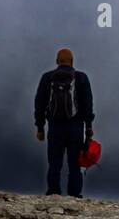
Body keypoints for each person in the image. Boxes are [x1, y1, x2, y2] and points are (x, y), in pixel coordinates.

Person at [34, 48, 95, 197]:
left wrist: (40, 127)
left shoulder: (47, 78)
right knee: (74, 164)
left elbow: (39, 103)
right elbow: (88, 104)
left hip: (55, 126)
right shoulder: (81, 78)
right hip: (76, 127)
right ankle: (74, 194)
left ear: (57, 62)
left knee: (55, 163)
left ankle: (54, 192)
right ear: (72, 62)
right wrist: (89, 128)